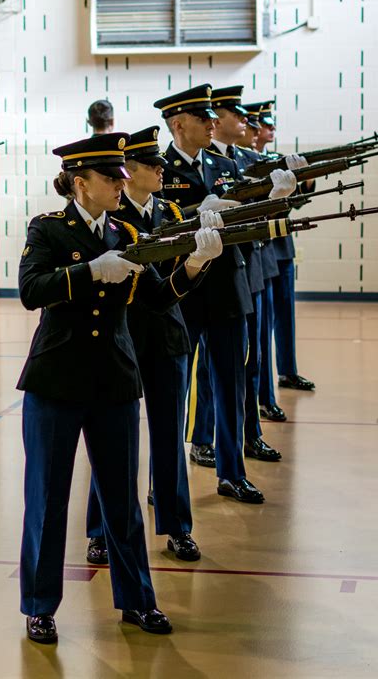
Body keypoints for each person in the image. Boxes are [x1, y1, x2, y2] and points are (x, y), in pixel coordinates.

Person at [17, 132, 222, 643]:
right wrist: (90, 271)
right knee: (47, 498)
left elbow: (156, 298)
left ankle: (137, 601)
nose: (120, 185)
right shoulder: (47, 229)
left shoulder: (127, 230)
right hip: (56, 380)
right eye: (110, 178)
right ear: (80, 183)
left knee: (121, 501)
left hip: (113, 379)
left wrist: (194, 266)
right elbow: (30, 290)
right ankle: (40, 605)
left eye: (121, 177)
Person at [85, 125, 217, 564]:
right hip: (119, 340)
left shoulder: (174, 215)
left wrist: (200, 261)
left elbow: (175, 287)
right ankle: (101, 529)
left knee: (167, 434)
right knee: (111, 440)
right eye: (152, 165)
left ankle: (177, 526)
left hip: (165, 337)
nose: (162, 171)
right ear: (132, 171)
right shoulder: (112, 221)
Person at [154, 83, 265, 503]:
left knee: (231, 384)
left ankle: (231, 472)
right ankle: (164, 480)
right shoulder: (158, 168)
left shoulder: (222, 164)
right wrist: (195, 213)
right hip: (183, 289)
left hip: (227, 286)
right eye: (203, 119)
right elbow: (157, 224)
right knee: (174, 390)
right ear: (179, 124)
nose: (212, 124)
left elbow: (240, 215)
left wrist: (271, 199)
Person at [210, 85, 284, 458]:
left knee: (249, 360)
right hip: (212, 276)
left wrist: (277, 196)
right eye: (234, 114)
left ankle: (248, 434)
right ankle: (207, 440)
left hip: (248, 265)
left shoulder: (234, 159)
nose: (244, 120)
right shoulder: (208, 162)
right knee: (213, 374)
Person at [253, 101, 316, 393]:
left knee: (285, 314)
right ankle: (265, 387)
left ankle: (287, 370)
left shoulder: (277, 160)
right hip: (260, 248)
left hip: (281, 244)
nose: (269, 129)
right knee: (263, 324)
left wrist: (305, 183)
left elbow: (296, 202)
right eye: (264, 124)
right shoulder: (244, 163)